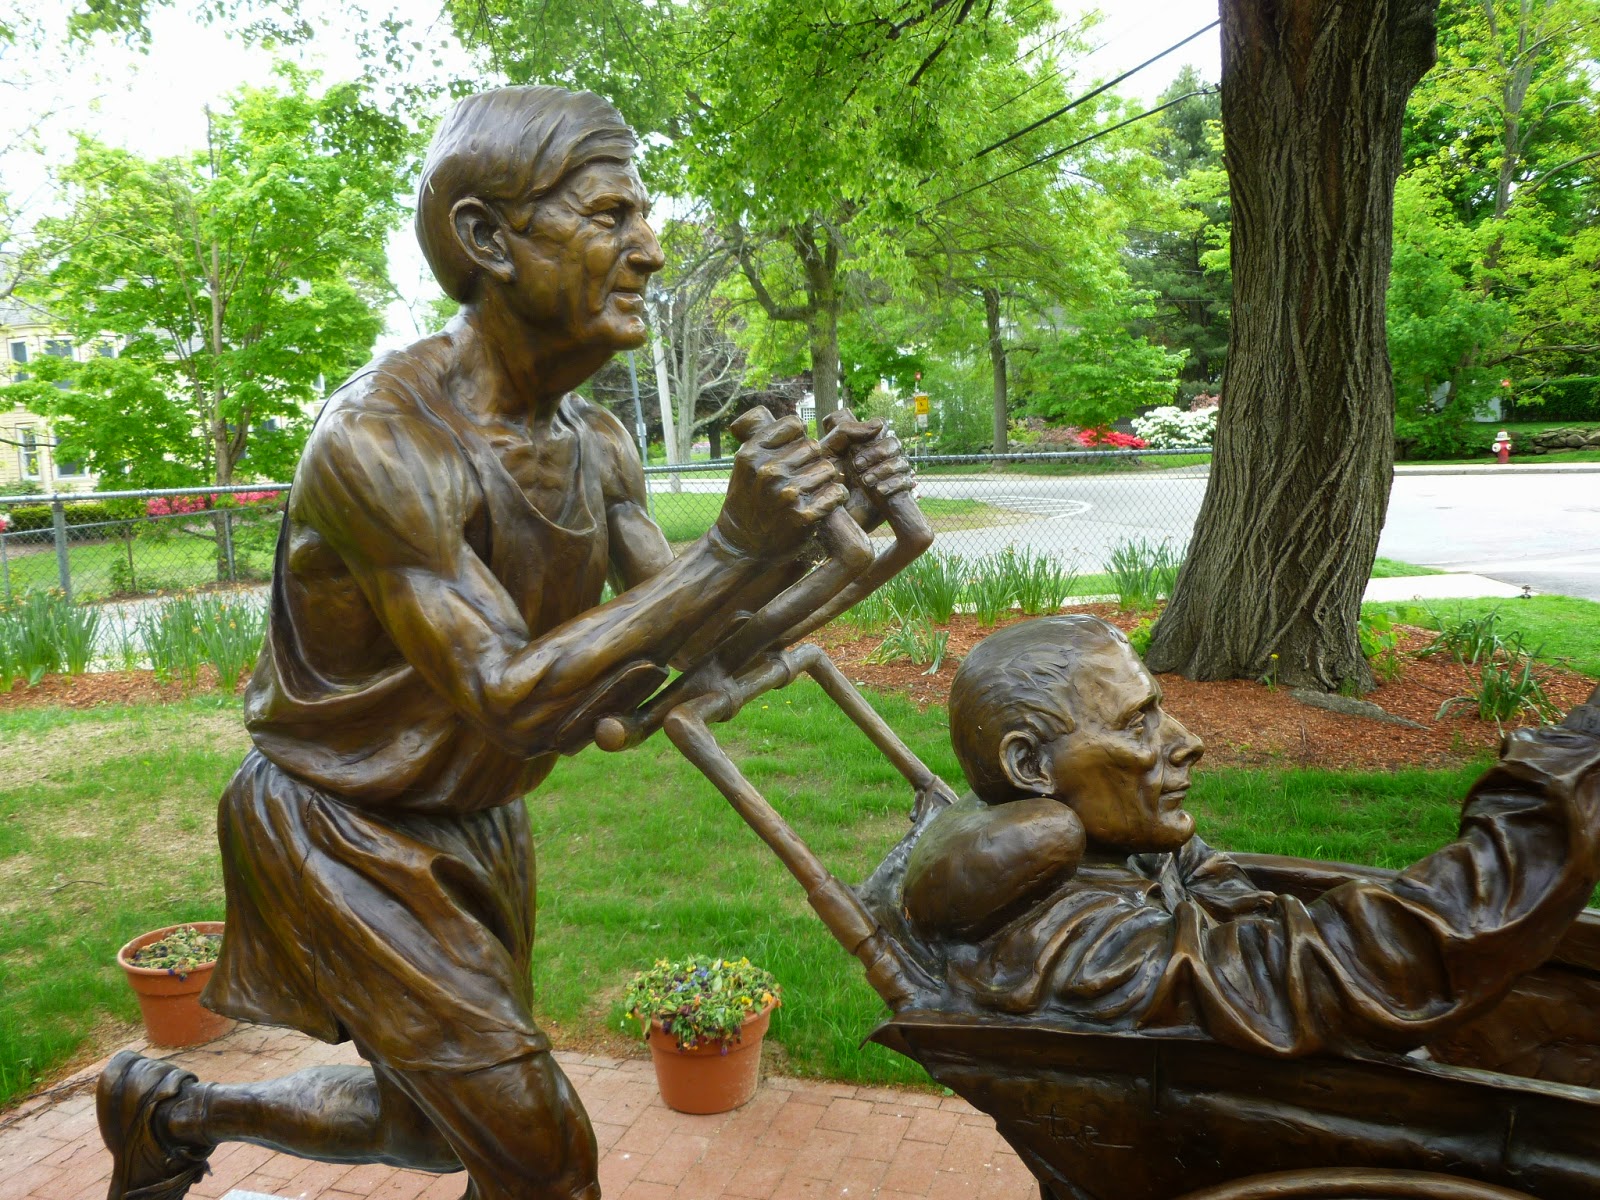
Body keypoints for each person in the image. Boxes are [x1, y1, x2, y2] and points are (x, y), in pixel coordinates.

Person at [97, 86, 911, 1200]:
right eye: (611, 219)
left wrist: (817, 538)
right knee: (543, 1156)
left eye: (645, 218)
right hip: (342, 822)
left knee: (448, 1128)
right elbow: (510, 693)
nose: (651, 253)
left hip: (476, 814)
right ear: (485, 237)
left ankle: (170, 1107)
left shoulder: (599, 441)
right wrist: (733, 547)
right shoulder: (383, 441)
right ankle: (171, 1105)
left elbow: (693, 653)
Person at [896, 614, 1600, 1059]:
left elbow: (1241, 902)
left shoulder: (1130, 849)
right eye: (1136, 724)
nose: (1188, 742)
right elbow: (1338, 970)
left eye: (1161, 712)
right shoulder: (1074, 946)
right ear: (1031, 766)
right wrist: (1555, 801)